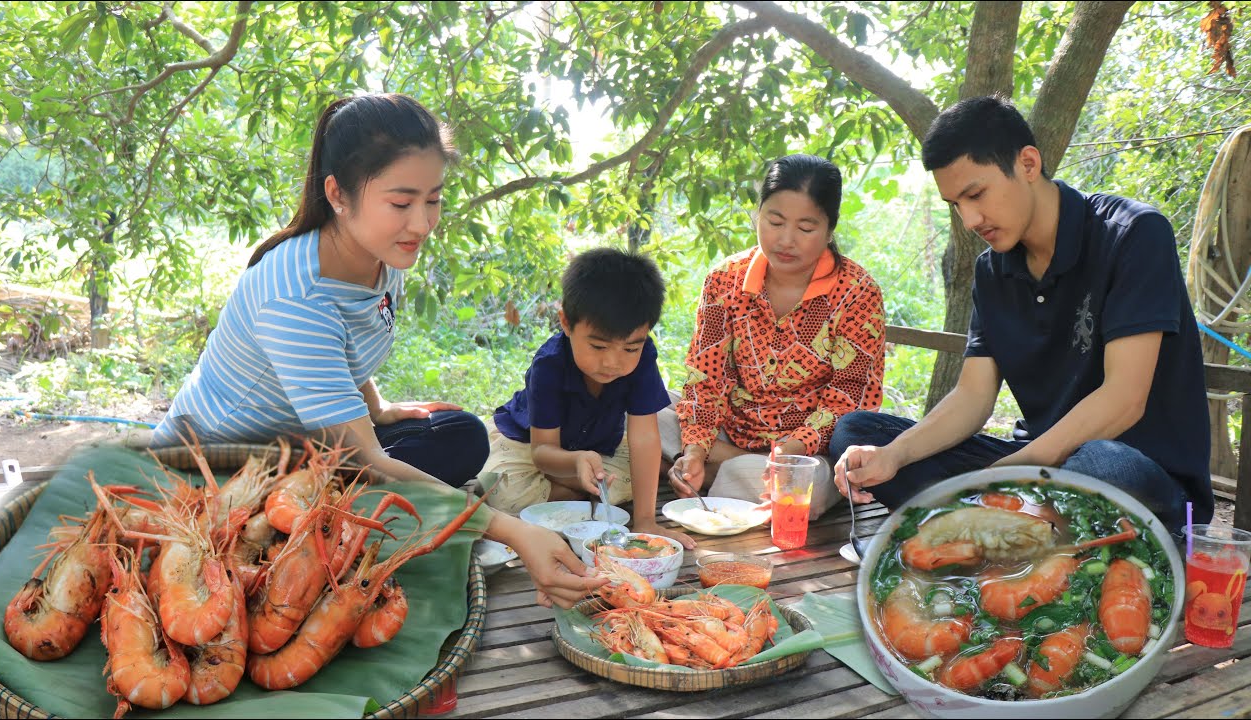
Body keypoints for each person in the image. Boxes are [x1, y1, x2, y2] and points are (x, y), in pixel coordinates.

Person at [151, 93, 605, 607]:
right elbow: (368, 462)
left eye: (433, 199)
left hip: (310, 447)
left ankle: (397, 506)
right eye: (401, 202)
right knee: (383, 481)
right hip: (221, 469)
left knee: (460, 434)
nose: (422, 223)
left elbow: (347, 353)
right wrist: (514, 532)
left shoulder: (382, 254)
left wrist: (379, 408)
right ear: (338, 195)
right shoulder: (296, 295)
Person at [830, 95, 1214, 534]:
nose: (970, 218)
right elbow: (973, 397)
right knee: (859, 434)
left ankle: (985, 516)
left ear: (1028, 164)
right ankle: (1001, 519)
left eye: (976, 194)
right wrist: (893, 455)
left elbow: (1124, 399)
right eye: (955, 203)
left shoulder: (1132, 234)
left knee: (1104, 467)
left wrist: (1010, 474)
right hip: (1036, 468)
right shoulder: (992, 271)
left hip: (1138, 475)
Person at [661, 154, 886, 521]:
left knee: (803, 491)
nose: (785, 239)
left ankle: (729, 472)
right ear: (758, 214)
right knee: (644, 417)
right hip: (730, 431)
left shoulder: (856, 293)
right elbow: (705, 377)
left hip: (810, 452)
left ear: (830, 230)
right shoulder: (725, 280)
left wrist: (794, 449)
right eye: (774, 220)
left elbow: (850, 397)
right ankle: (717, 469)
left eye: (806, 227)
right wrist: (696, 450)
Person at [483, 248, 694, 548]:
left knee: (638, 477)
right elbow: (542, 452)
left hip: (597, 448)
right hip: (525, 443)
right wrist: (576, 461)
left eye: (630, 349)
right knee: (502, 490)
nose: (613, 362)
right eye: (598, 347)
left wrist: (646, 520)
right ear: (566, 323)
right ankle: (586, 494)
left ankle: (571, 496)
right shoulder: (550, 364)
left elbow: (645, 437)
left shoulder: (643, 358)